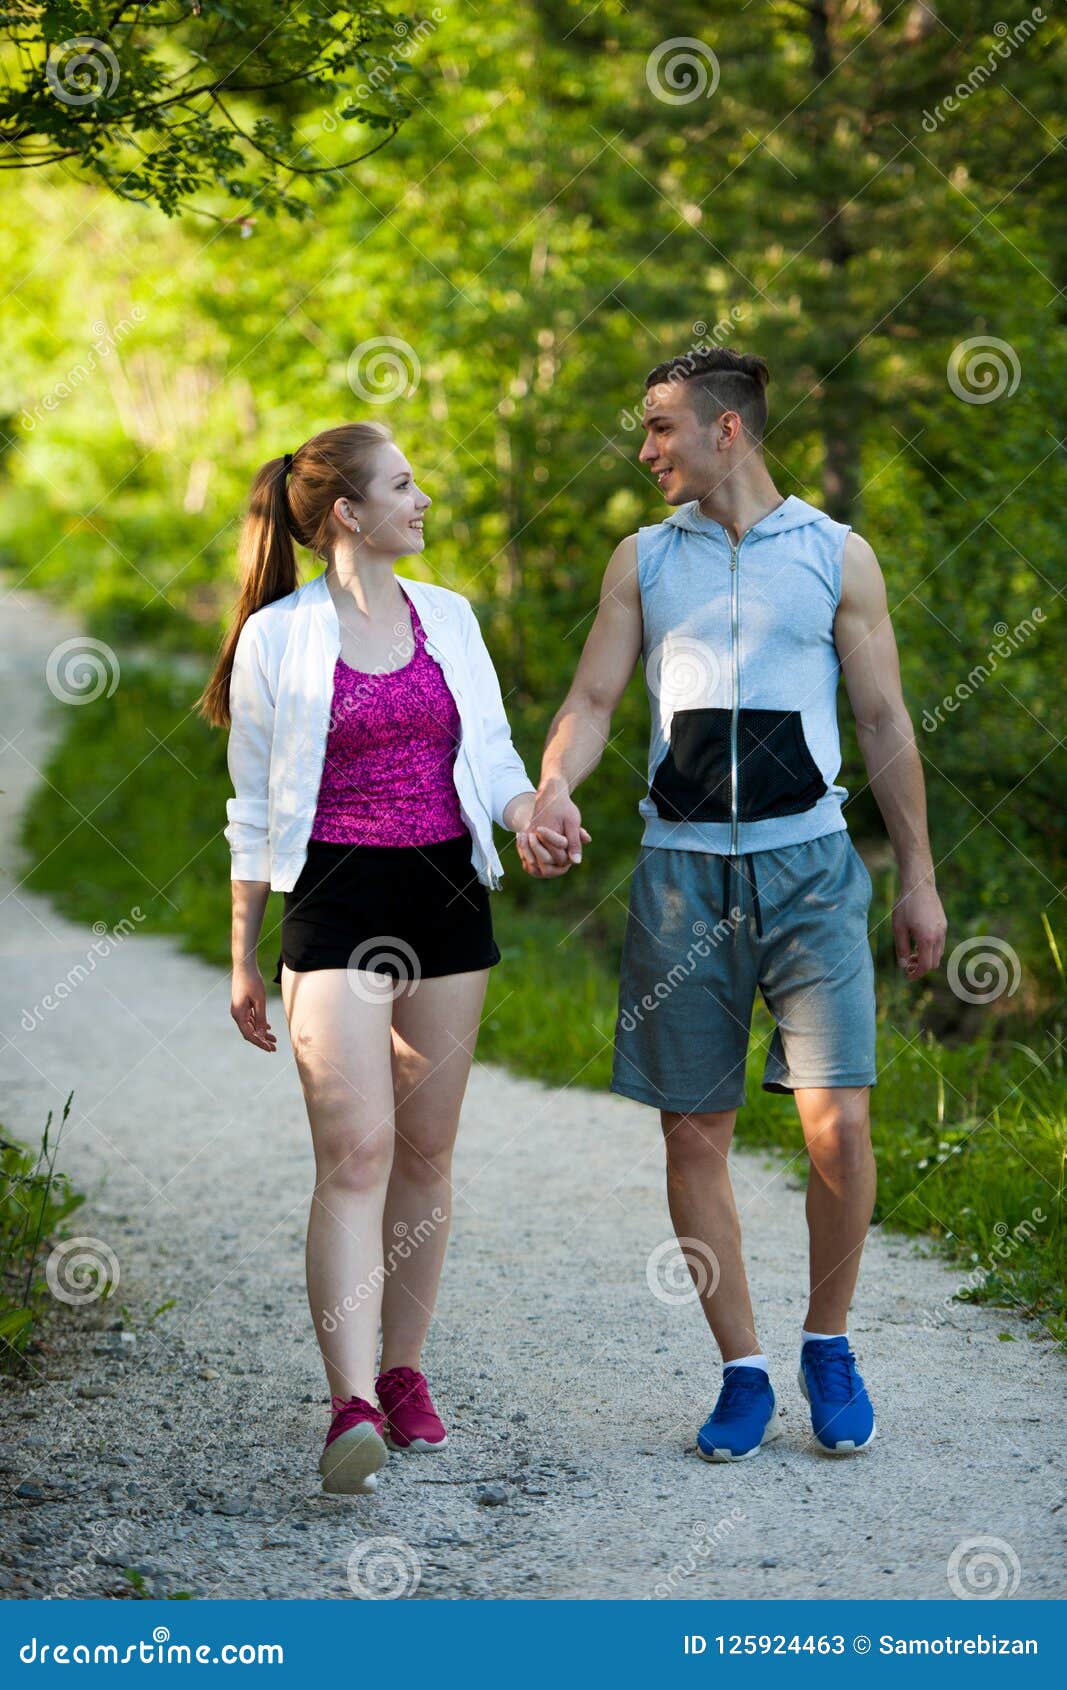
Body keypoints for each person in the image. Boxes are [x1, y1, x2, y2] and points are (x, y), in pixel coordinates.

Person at [519, 348, 947, 1461]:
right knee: (692, 1128)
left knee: (835, 1120)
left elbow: (886, 722)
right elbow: (594, 695)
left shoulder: (835, 556)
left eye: (660, 428)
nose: (645, 449)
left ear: (726, 432)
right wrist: (555, 778)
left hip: (809, 869)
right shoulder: (642, 560)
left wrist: (919, 875)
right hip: (679, 874)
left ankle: (828, 1342)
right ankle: (741, 1370)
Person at [199, 421, 581, 1494]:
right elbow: (247, 809)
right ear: (347, 516)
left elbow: (495, 755)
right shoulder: (277, 636)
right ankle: (350, 1400)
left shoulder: (450, 619)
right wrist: (241, 954)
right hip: (333, 895)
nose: (423, 500)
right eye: (404, 485)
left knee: (423, 1154)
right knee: (353, 1157)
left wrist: (526, 814)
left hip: (446, 897)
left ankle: (406, 1371)